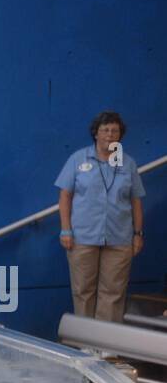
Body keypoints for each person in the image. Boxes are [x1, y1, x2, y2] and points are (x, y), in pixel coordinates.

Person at [55, 111, 145, 322]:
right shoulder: (78, 159)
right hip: (82, 237)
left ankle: (107, 348)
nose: (110, 135)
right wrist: (65, 229)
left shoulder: (128, 164)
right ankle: (86, 344)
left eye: (115, 130)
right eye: (105, 130)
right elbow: (65, 195)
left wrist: (138, 233)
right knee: (83, 290)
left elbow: (136, 201)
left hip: (119, 238)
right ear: (96, 133)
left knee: (113, 293)